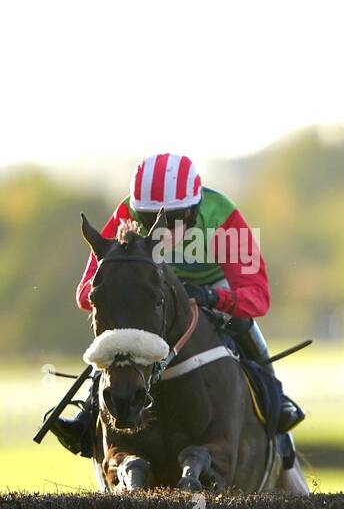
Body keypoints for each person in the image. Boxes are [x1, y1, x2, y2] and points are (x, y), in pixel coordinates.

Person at [47, 152, 304, 462]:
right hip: (154, 294)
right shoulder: (124, 213)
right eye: (149, 218)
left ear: (196, 209)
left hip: (212, 286)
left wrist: (211, 297)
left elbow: (257, 296)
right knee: (119, 328)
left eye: (176, 219)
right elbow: (86, 292)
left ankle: (276, 407)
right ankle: (89, 412)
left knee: (243, 323)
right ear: (137, 210)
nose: (164, 229)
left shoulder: (222, 215)